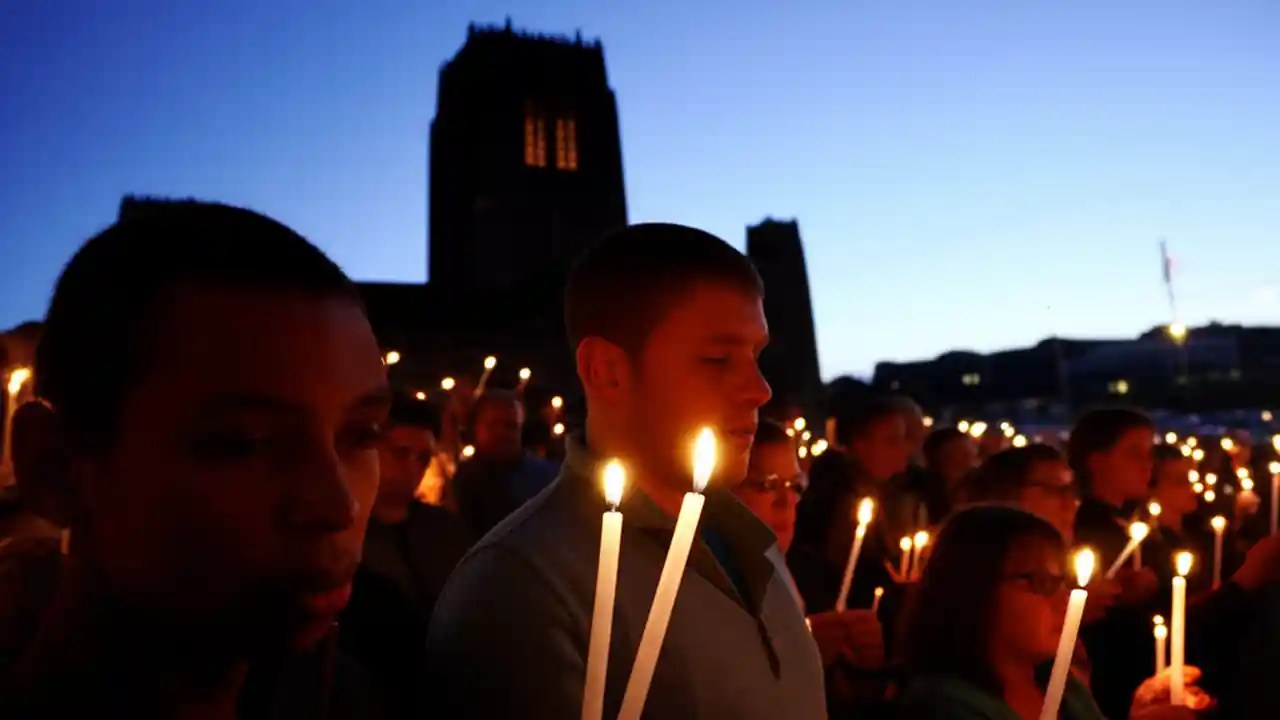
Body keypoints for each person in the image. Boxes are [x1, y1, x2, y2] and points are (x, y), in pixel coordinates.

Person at [3, 200, 388, 718]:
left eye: (362, 434)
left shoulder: (345, 692)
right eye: (244, 443)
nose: (338, 506)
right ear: (55, 467)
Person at [424, 223, 825, 718]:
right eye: (717, 359)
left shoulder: (753, 538)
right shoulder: (521, 589)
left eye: (755, 357)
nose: (759, 389)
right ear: (606, 370)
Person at [898, 505, 1201, 720]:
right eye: (1040, 582)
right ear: (973, 588)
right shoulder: (942, 705)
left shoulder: (1061, 685)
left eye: (1062, 583)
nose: (1063, 600)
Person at [734, 419, 887, 718]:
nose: (787, 501)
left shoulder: (789, 569)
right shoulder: (714, 584)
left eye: (794, 485)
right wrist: (802, 646)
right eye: (767, 484)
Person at [339, 394, 471, 717]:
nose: (413, 468)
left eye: (423, 458)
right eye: (400, 453)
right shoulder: (345, 531)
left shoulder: (445, 530)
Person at [1069, 408, 1158, 719]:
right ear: (1096, 461)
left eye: (1150, 453)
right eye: (1134, 453)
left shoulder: (1134, 522)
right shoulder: (1085, 530)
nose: (1147, 465)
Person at [790, 394, 907, 613]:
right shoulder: (840, 500)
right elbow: (847, 575)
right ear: (859, 443)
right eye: (892, 440)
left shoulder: (880, 491)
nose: (903, 449)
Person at [449, 389, 558, 538]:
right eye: (492, 425)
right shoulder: (465, 479)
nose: (501, 433)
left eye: (510, 426)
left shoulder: (547, 476)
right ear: (476, 428)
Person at [920, 427, 978, 519]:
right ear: (941, 456)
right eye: (961, 451)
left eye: (970, 451)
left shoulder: (977, 491)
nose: (970, 455)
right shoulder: (921, 497)